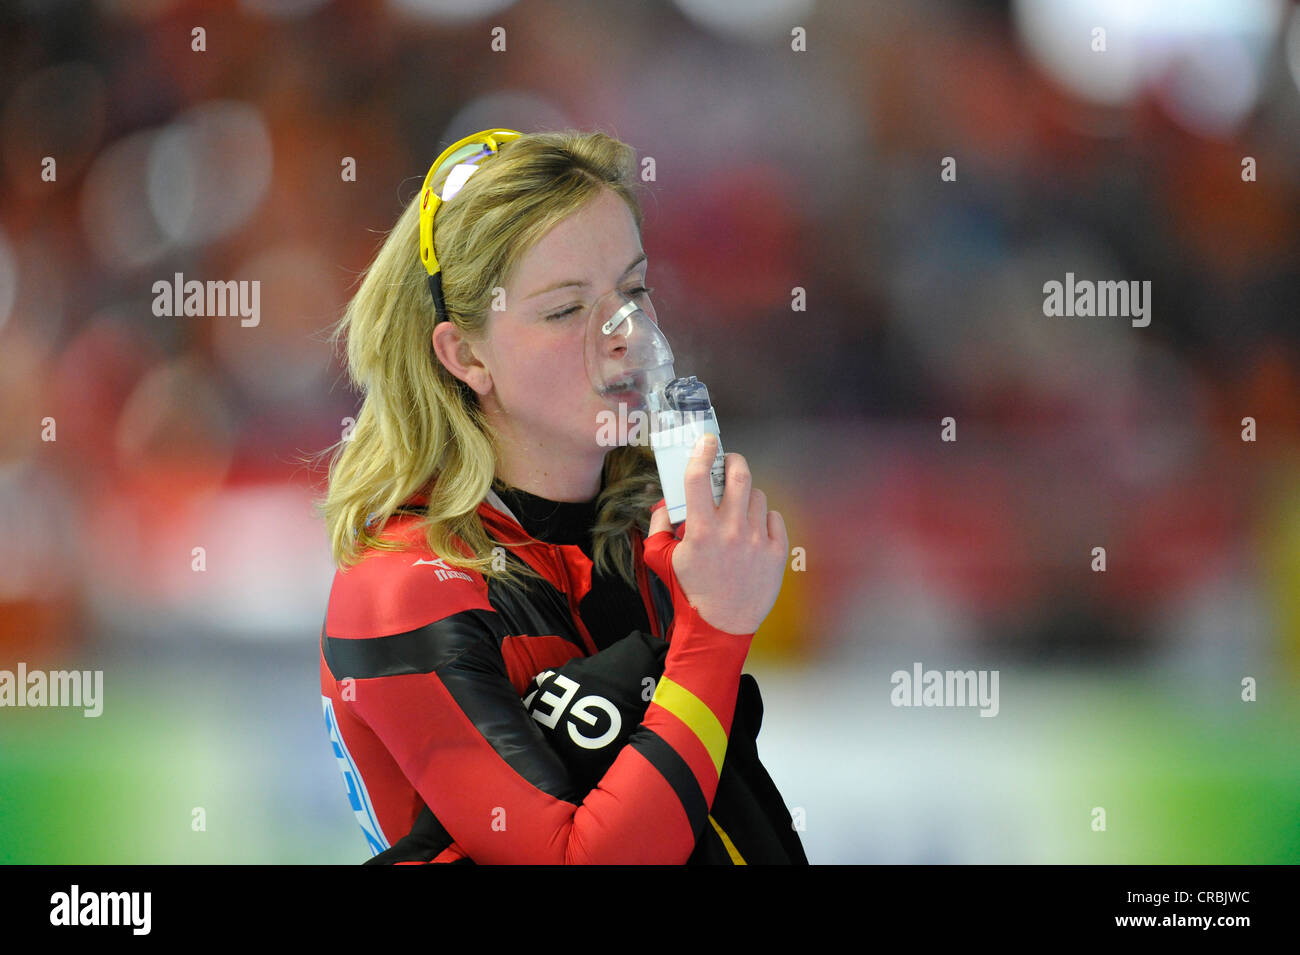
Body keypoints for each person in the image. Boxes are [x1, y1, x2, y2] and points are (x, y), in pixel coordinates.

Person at [317, 128, 801, 864]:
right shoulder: (405, 585)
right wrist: (713, 630)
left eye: (633, 289)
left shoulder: (649, 527)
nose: (626, 333)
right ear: (466, 355)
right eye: (566, 309)